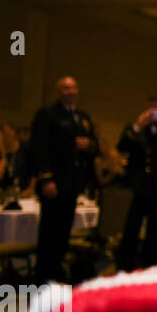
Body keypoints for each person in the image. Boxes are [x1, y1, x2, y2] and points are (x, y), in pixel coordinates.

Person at [29, 76, 99, 282]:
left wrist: (89, 146)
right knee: (50, 230)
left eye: (73, 88)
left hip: (73, 182)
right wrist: (46, 179)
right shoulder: (47, 115)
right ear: (57, 92)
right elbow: (40, 149)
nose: (70, 91)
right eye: (65, 88)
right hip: (55, 181)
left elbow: (94, 145)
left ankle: (57, 271)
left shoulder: (82, 117)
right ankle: (43, 274)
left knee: (63, 231)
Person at [115, 95, 157, 271]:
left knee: (155, 228)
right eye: (153, 109)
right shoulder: (136, 128)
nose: (156, 114)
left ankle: (149, 263)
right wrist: (138, 126)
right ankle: (126, 263)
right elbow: (122, 147)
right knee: (133, 225)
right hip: (139, 186)